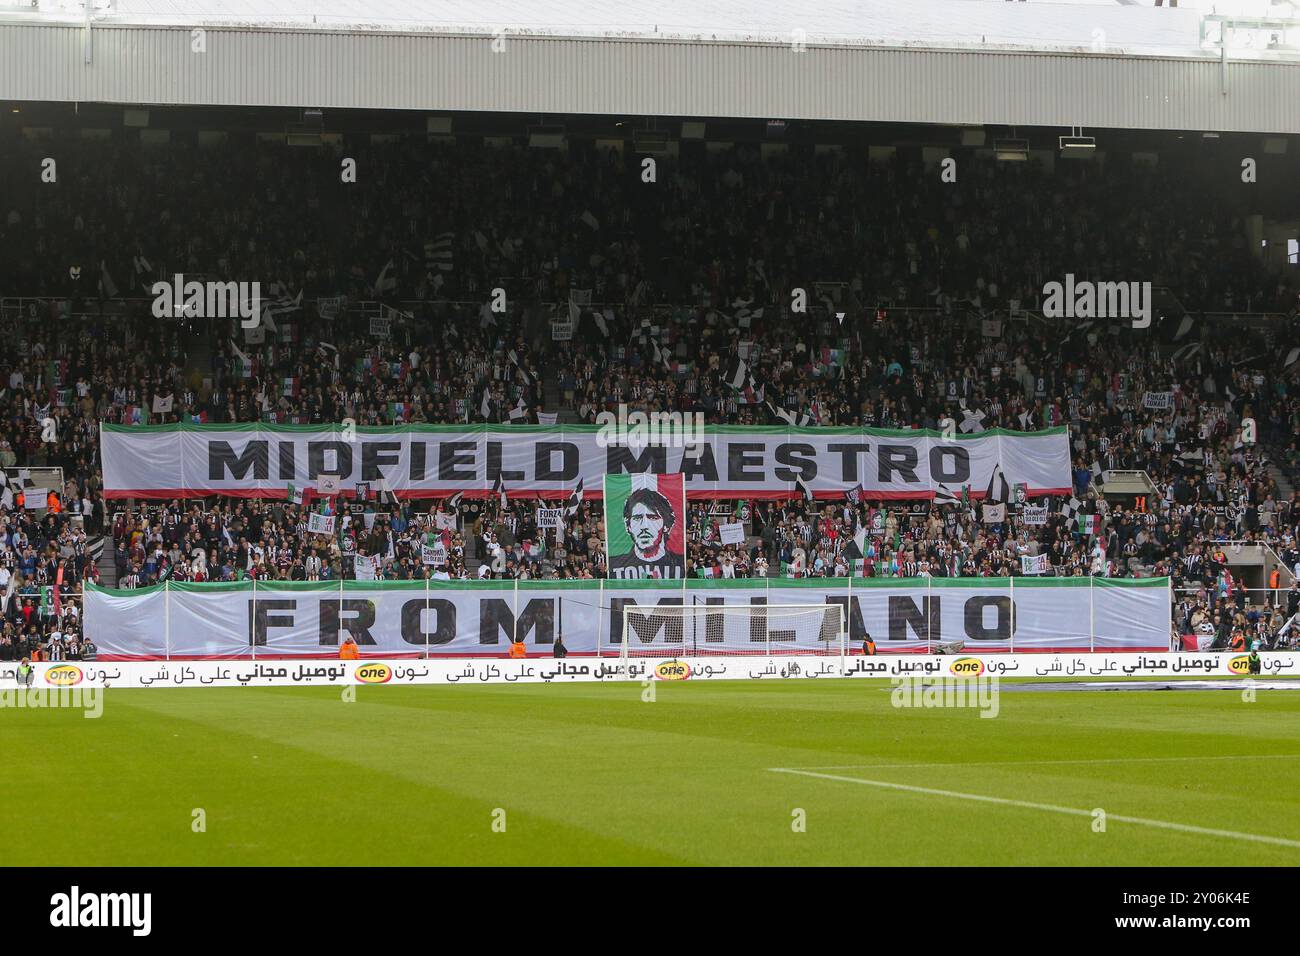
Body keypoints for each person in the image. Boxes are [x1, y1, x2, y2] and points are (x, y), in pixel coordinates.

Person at [608, 488, 685, 580]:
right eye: (637, 518)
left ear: (666, 526)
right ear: (628, 526)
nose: (644, 526)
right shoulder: (614, 564)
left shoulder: (681, 563)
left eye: (653, 518)